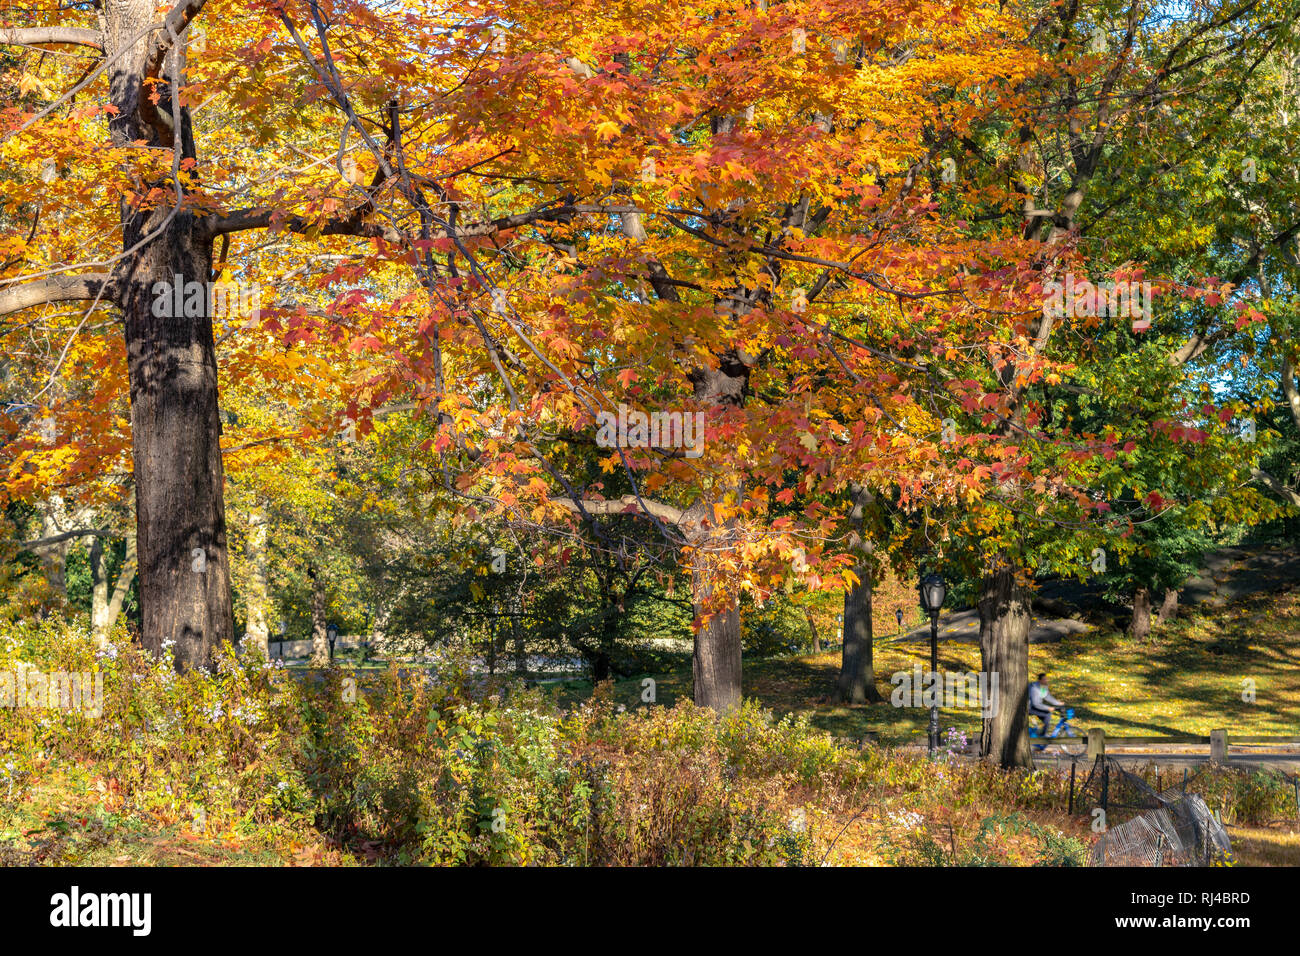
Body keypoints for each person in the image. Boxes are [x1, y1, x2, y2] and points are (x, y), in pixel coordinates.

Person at [1027, 673, 1063, 738]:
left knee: (1046, 719)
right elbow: (1036, 704)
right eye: (1044, 679)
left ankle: (1039, 734)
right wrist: (1048, 708)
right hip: (1028, 708)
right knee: (1047, 715)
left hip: (1034, 706)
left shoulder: (1042, 686)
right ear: (1039, 681)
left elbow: (1047, 697)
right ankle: (1042, 736)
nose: (1046, 681)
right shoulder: (1034, 688)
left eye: (1046, 679)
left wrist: (1058, 703)